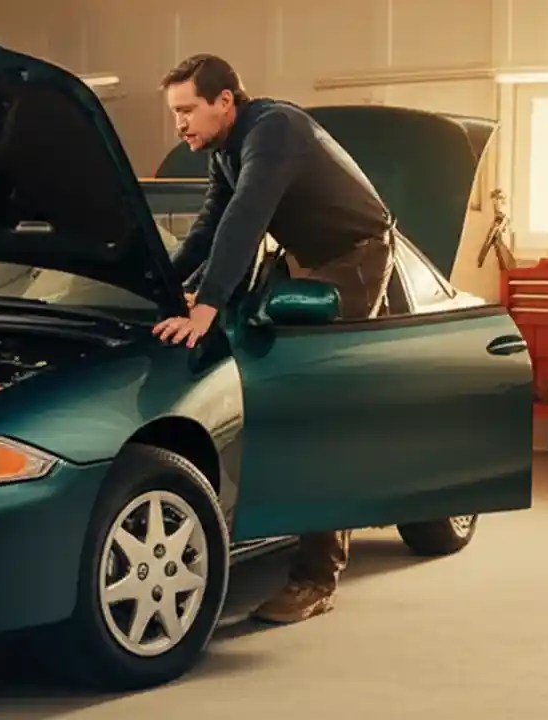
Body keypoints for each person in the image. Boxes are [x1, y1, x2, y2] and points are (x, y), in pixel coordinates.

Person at [152, 54, 399, 624]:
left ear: (224, 101)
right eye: (174, 113)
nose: (180, 124)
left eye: (187, 110)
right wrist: (163, 290)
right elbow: (210, 228)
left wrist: (207, 304)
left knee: (315, 409)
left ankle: (316, 578)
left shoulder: (275, 130)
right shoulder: (226, 151)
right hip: (306, 255)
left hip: (354, 257)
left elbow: (248, 215)